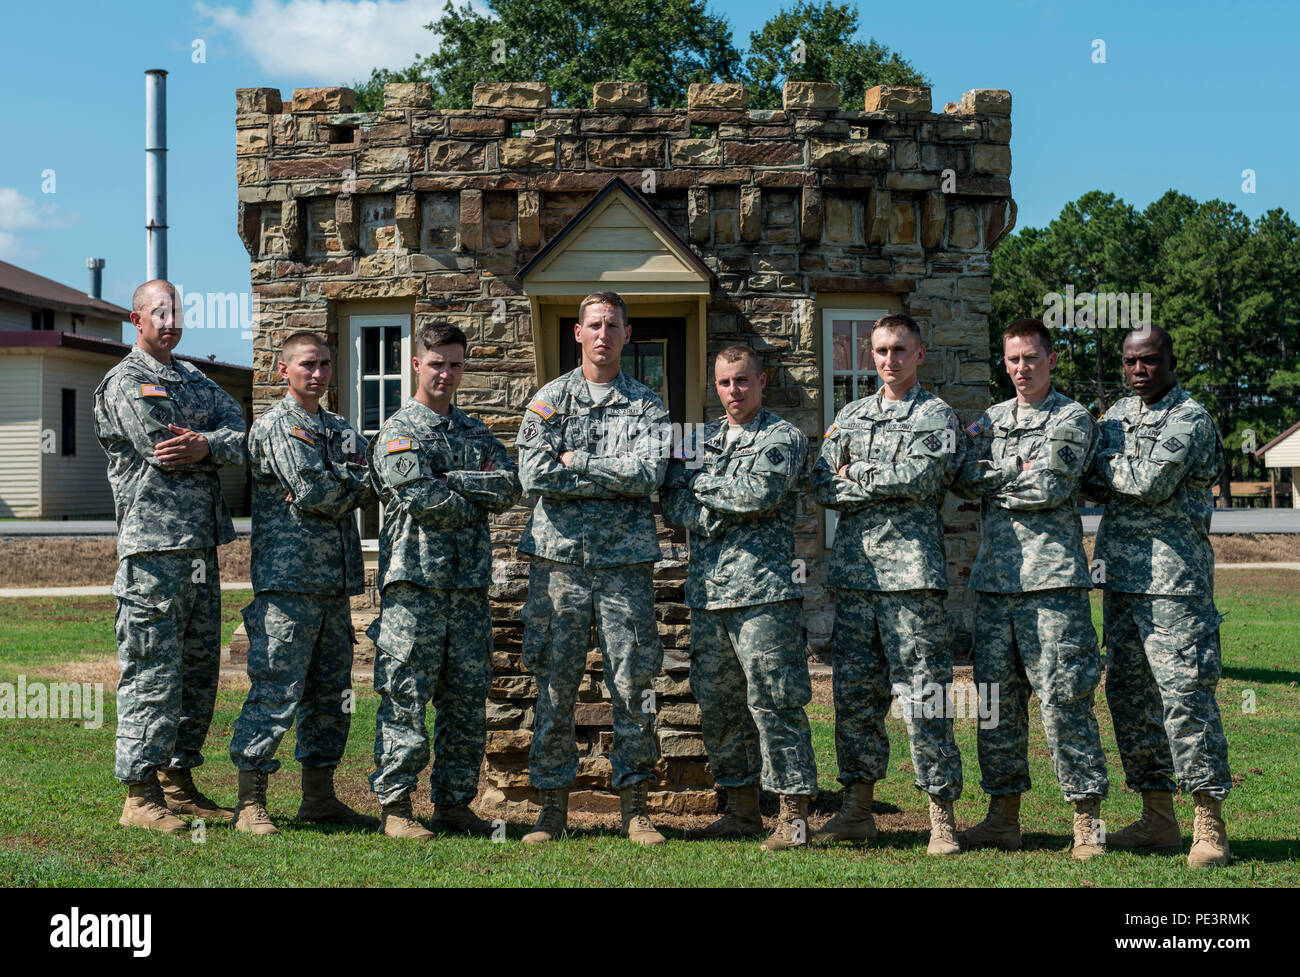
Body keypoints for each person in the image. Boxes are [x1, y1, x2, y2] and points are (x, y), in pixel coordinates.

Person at [515, 291, 671, 846]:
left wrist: (577, 462)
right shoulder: (549, 400)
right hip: (559, 565)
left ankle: (636, 809)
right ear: (577, 333)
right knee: (554, 686)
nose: (603, 333)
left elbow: (649, 474)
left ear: (628, 335)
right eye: (593, 325)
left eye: (613, 325)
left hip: (625, 567)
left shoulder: (647, 405)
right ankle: (551, 809)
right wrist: (612, 475)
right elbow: (534, 474)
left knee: (632, 685)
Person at [951, 317, 1110, 859]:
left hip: (1053, 588)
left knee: (1064, 701)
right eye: (1013, 359)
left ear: (1052, 359)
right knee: (996, 706)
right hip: (995, 587)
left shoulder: (1071, 417)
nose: (1021, 369)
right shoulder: (991, 419)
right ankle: (1002, 817)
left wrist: (994, 475)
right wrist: (1007, 469)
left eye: (1031, 358)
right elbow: (959, 475)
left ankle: (1087, 821)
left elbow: (1049, 485)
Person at [92, 279, 246, 832]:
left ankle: (179, 782)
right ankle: (140, 793)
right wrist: (212, 446)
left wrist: (209, 444)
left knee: (198, 672)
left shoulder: (196, 378)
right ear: (137, 319)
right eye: (159, 312)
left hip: (201, 548)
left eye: (176, 311)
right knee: (152, 671)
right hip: (153, 551)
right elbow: (162, 448)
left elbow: (241, 429)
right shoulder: (126, 382)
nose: (169, 321)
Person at [810, 314, 964, 855]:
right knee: (854, 697)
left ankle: (940, 816)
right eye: (879, 350)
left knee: (924, 698)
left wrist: (861, 475)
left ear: (919, 353)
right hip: (855, 579)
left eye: (899, 349)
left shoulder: (937, 415)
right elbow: (822, 482)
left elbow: (924, 478)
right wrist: (878, 481)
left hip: (912, 582)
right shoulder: (850, 415)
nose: (888, 359)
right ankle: (856, 810)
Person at [1083, 324, 1231, 867]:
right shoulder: (1116, 415)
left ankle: (1209, 824)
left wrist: (1104, 468)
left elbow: (1149, 482)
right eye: (1129, 362)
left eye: (1148, 360)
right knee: (1129, 701)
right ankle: (1157, 817)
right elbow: (1087, 479)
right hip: (1121, 583)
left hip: (1176, 587)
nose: (1138, 370)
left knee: (1186, 701)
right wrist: (1105, 469)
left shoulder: (1190, 418)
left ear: (1171, 360)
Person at [366, 321, 520, 840]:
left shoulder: (475, 432)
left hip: (468, 590)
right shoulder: (397, 432)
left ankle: (453, 804)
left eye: (455, 365)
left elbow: (509, 486)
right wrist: (466, 495)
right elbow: (422, 500)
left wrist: (451, 479)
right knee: (405, 697)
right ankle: (395, 807)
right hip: (415, 588)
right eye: (437, 364)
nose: (446, 374)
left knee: (465, 702)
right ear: (416, 364)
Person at [662, 346, 817, 851]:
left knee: (775, 703)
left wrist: (703, 488)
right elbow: (671, 497)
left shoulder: (783, 436)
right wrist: (712, 507)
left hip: (764, 594)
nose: (734, 391)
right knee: (720, 705)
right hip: (708, 597)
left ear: (762, 380)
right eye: (725, 382)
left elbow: (761, 495)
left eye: (743, 381)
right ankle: (742, 810)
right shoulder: (698, 438)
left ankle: (793, 818)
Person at [228, 332, 378, 835]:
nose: (318, 374)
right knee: (275, 690)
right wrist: (347, 482)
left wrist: (343, 480)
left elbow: (372, 476)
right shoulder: (277, 426)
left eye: (326, 365)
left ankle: (319, 797)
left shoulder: (337, 427)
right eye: (308, 365)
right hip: (287, 584)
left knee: (331, 696)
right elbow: (315, 490)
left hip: (334, 586)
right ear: (283, 369)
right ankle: (251, 804)